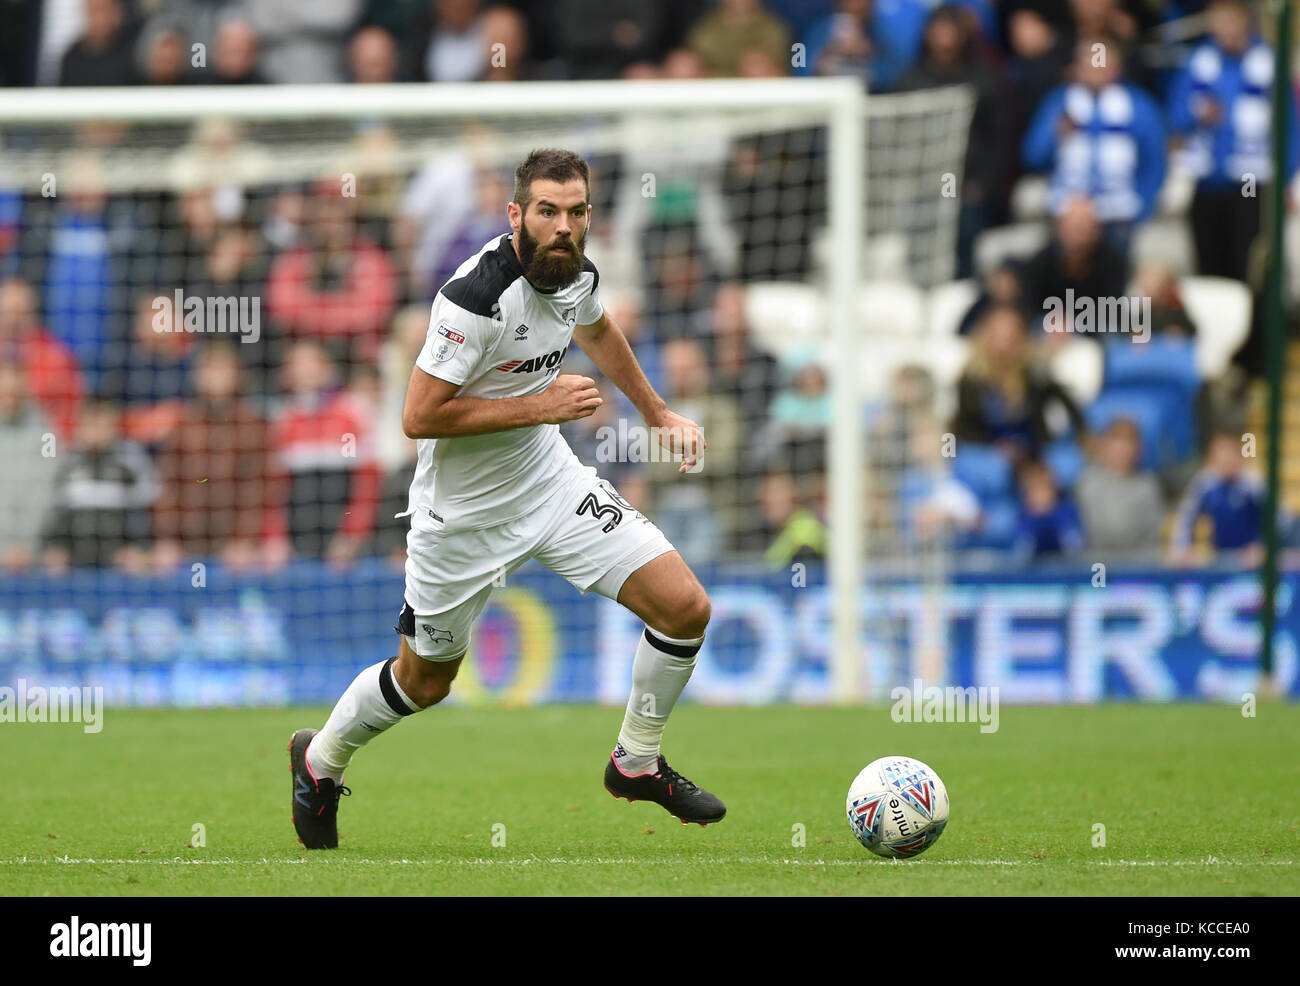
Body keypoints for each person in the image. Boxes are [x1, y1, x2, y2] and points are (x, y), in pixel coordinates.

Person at [290, 149, 724, 849]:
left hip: (550, 485)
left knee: (685, 608)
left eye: (575, 212)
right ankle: (320, 761)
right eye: (547, 211)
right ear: (516, 214)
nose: (563, 227)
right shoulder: (474, 299)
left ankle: (636, 761)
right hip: (460, 517)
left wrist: (656, 412)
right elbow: (419, 416)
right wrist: (541, 404)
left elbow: (598, 328)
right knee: (425, 682)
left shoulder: (577, 273)